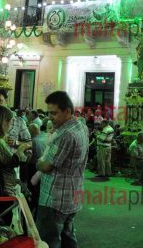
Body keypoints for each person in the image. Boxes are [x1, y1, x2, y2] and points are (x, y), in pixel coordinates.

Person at [35, 91, 89, 248]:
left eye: (54, 113)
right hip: (73, 195)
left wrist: (37, 162)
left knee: (48, 241)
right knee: (68, 238)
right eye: (48, 113)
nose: (50, 117)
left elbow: (47, 165)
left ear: (67, 111)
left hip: (55, 199)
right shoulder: (81, 126)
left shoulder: (66, 135)